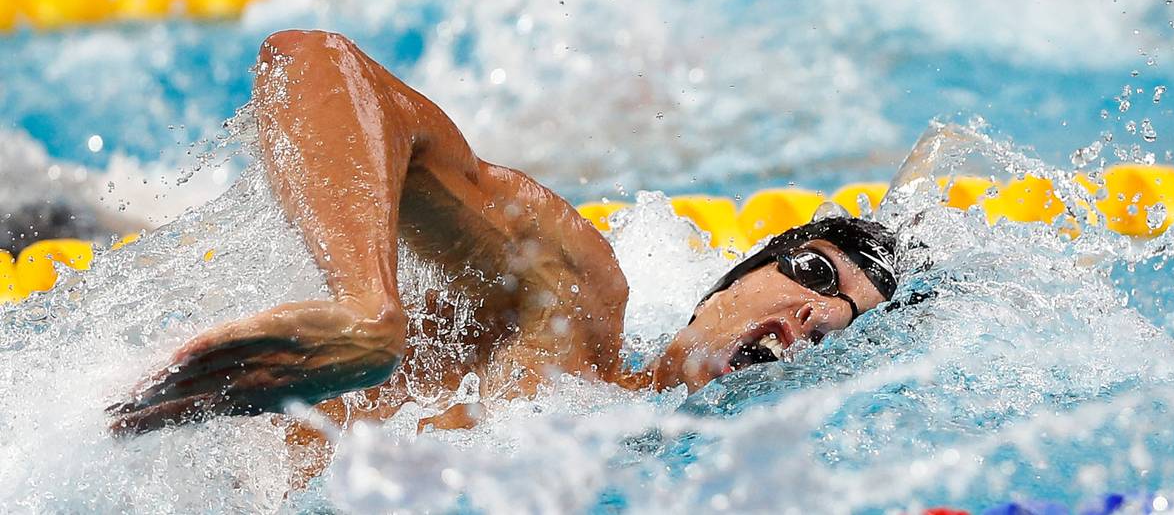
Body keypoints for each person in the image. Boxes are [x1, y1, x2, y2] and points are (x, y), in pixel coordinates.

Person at [106, 30, 898, 450]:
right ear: (725, 283)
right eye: (812, 274)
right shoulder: (567, 311)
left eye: (841, 330)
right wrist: (367, 310)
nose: (817, 318)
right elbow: (309, 60)